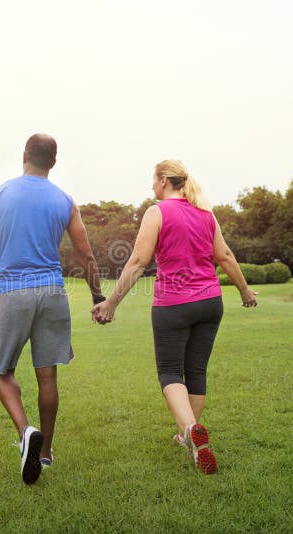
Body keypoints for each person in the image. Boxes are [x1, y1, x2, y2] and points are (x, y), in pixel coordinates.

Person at [91, 159, 257, 474]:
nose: (152, 186)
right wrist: (245, 291)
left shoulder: (157, 212)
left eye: (153, 180)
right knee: (196, 371)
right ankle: (188, 437)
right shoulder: (207, 214)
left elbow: (139, 261)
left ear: (165, 180)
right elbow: (224, 256)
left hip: (173, 305)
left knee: (170, 372)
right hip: (210, 303)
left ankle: (191, 429)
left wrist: (111, 303)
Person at [0, 133, 104, 485]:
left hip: (13, 293)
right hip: (52, 292)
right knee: (47, 376)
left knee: (2, 372)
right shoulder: (65, 200)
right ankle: (45, 454)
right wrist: (96, 296)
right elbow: (85, 254)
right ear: (53, 162)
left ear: (24, 155)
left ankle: (26, 430)